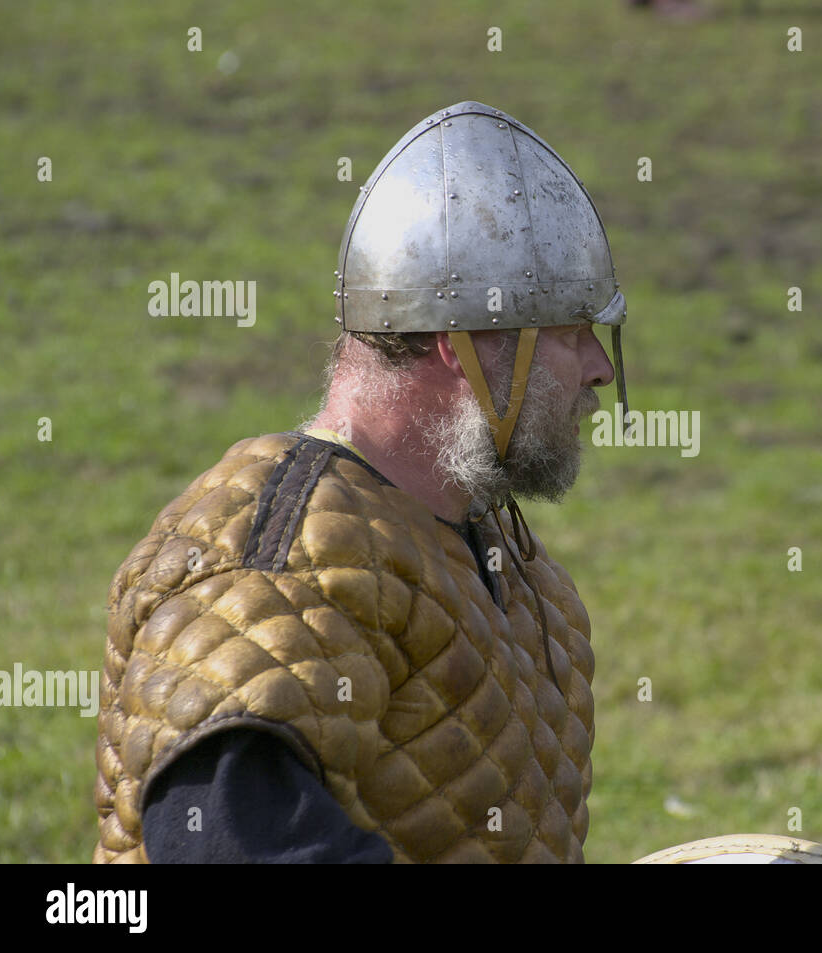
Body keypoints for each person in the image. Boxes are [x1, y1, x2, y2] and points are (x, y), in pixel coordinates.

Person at [93, 101, 630, 863]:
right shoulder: (280, 556)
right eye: (572, 333)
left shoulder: (523, 576)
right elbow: (221, 844)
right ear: (462, 344)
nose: (600, 369)